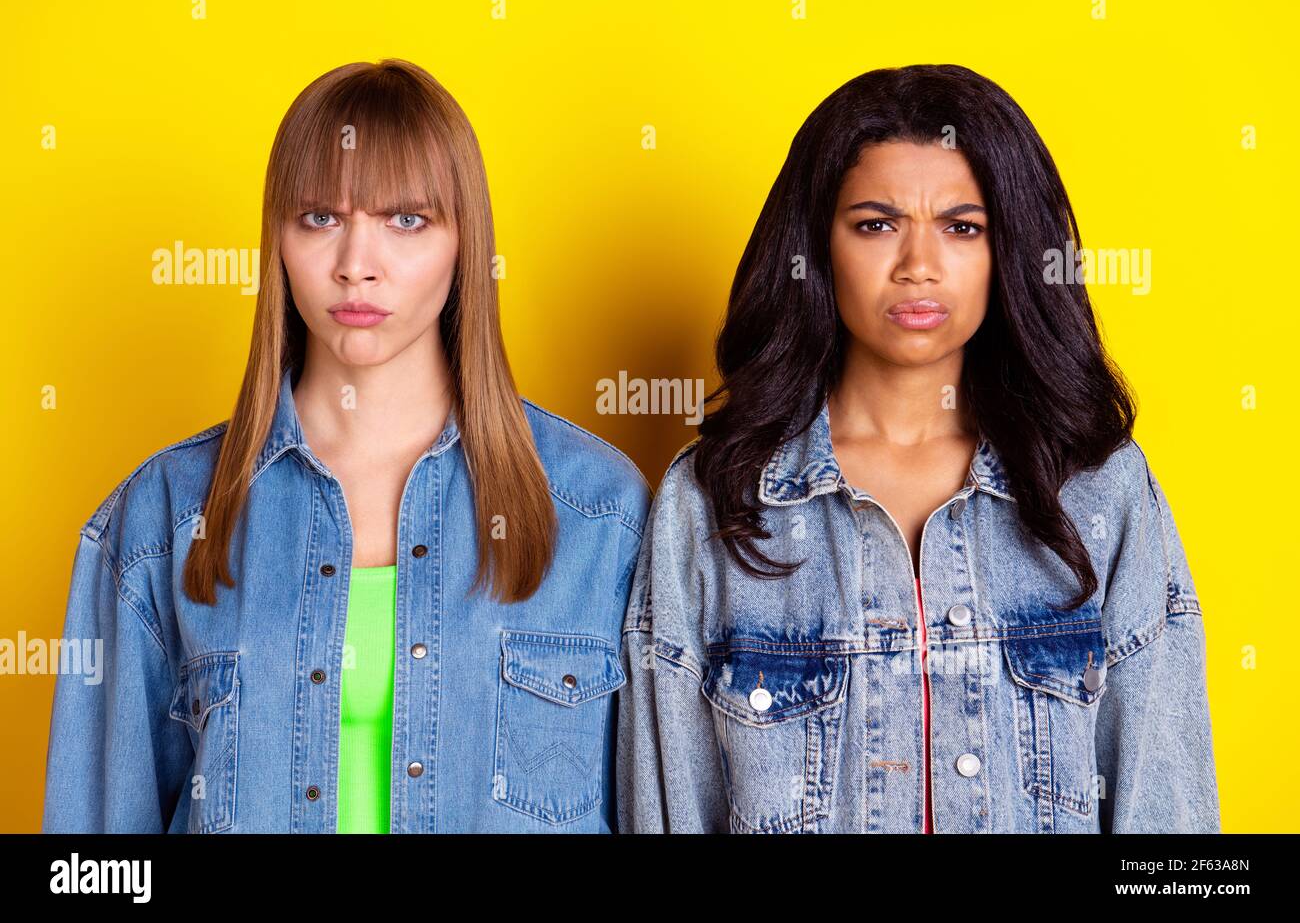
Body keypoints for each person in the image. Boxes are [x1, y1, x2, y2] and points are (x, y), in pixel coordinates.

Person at [43, 58, 649, 833]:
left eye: (406, 219)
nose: (356, 266)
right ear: (278, 241)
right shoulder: (157, 523)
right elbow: (94, 862)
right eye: (320, 218)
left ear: (466, 240)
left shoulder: (603, 518)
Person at [616, 64, 1220, 833]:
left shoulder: (1101, 491)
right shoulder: (715, 501)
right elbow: (665, 809)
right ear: (816, 246)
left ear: (1010, 252)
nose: (919, 264)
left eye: (963, 227)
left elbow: (1167, 821)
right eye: (876, 224)